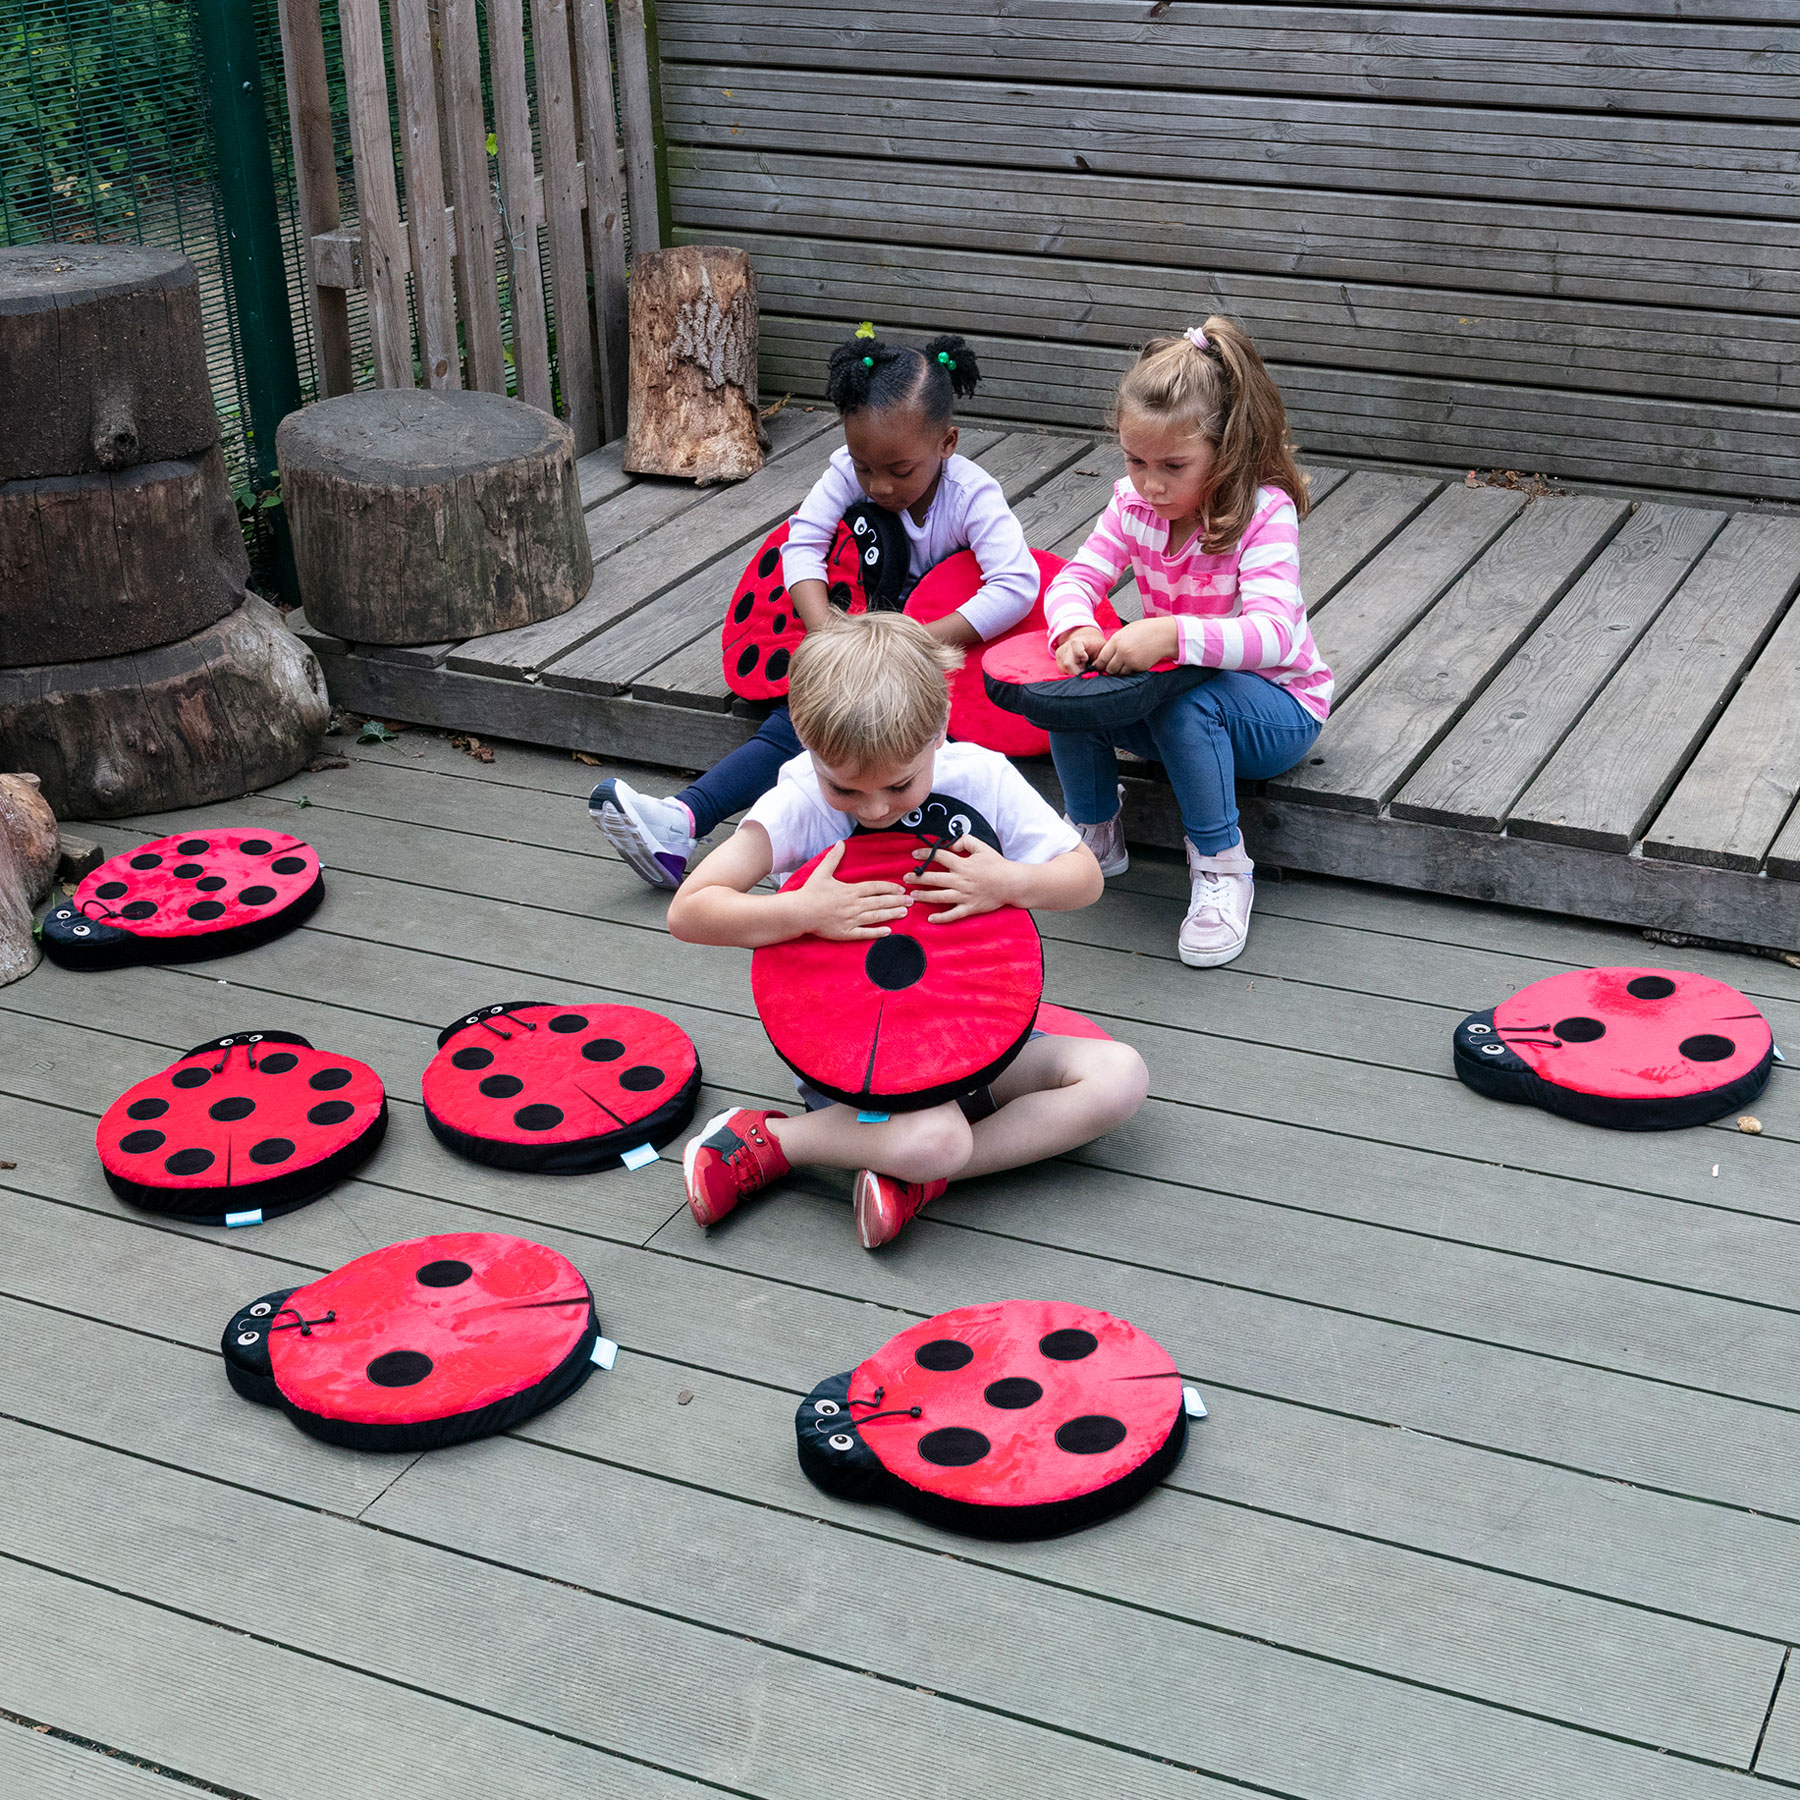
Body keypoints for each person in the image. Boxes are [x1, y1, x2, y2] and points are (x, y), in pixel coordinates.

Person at [667, 612, 1148, 1249]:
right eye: (845, 787)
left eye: (898, 785)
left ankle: (916, 1179)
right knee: (934, 1137)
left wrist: (1008, 882)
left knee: (1120, 1078)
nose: (872, 808)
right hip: (860, 1054)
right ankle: (774, 1140)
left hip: (973, 1029)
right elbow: (689, 911)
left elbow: (1083, 878)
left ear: (939, 729)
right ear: (807, 744)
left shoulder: (980, 777)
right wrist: (804, 912)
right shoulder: (801, 801)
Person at [592, 328, 1040, 889]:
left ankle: (704, 824)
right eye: (864, 467)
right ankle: (685, 821)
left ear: (947, 444)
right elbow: (801, 544)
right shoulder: (844, 470)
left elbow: (1016, 583)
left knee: (827, 734)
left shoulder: (972, 496)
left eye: (900, 471)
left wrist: (914, 641)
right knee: (811, 719)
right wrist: (827, 635)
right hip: (854, 628)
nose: (877, 486)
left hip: (931, 653)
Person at [1044, 317, 1332, 969]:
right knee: (1068, 689)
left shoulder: (1261, 513)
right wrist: (1077, 627)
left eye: (1174, 466)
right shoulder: (1133, 506)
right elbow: (1075, 579)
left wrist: (1171, 632)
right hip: (1175, 689)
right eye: (1136, 461)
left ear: (1224, 450)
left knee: (1186, 706)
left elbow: (1274, 633)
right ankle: (1094, 833)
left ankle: (1222, 867)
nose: (1151, 483)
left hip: (1275, 711)